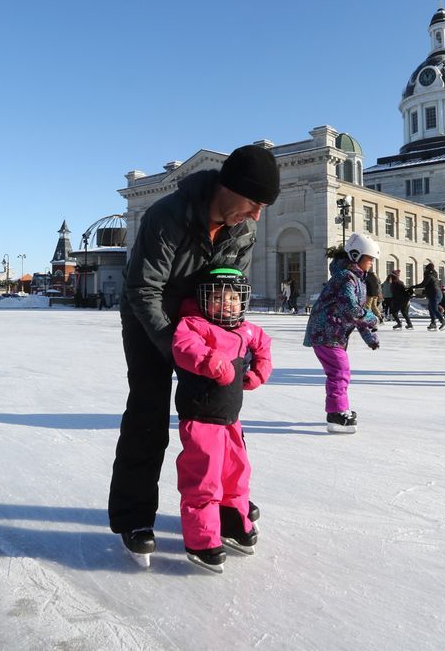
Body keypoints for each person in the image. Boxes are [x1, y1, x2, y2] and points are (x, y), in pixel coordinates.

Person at [109, 144, 280, 563]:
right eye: (254, 203)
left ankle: (222, 503)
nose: (257, 215)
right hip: (149, 318)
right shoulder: (167, 215)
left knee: (217, 416)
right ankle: (133, 516)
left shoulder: (244, 230)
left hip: (202, 322)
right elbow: (144, 289)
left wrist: (235, 347)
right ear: (230, 187)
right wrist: (175, 347)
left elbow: (228, 292)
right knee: (148, 411)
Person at [170, 265, 272, 572]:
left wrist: (260, 370)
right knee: (204, 479)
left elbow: (263, 344)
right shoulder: (195, 324)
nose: (226, 304)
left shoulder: (245, 329)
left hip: (230, 419)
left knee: (236, 473)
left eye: (232, 298)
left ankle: (231, 521)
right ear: (202, 300)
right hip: (201, 417)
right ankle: (201, 539)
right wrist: (212, 361)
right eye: (217, 297)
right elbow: (184, 346)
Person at [303, 233, 381, 433]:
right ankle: (337, 414)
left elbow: (356, 315)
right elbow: (352, 310)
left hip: (333, 333)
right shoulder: (346, 278)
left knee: (339, 372)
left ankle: (337, 410)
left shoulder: (357, 280)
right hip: (326, 332)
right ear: (356, 256)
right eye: (369, 259)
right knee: (339, 371)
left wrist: (370, 337)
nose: (371, 263)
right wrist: (372, 318)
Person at [411, 263, 445, 331]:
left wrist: (413, 286)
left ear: (427, 270)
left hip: (435, 294)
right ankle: (433, 323)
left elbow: (423, 284)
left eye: (425, 270)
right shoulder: (433, 276)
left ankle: (443, 322)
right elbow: (428, 286)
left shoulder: (429, 276)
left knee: (434, 309)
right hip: (435, 294)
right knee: (431, 309)